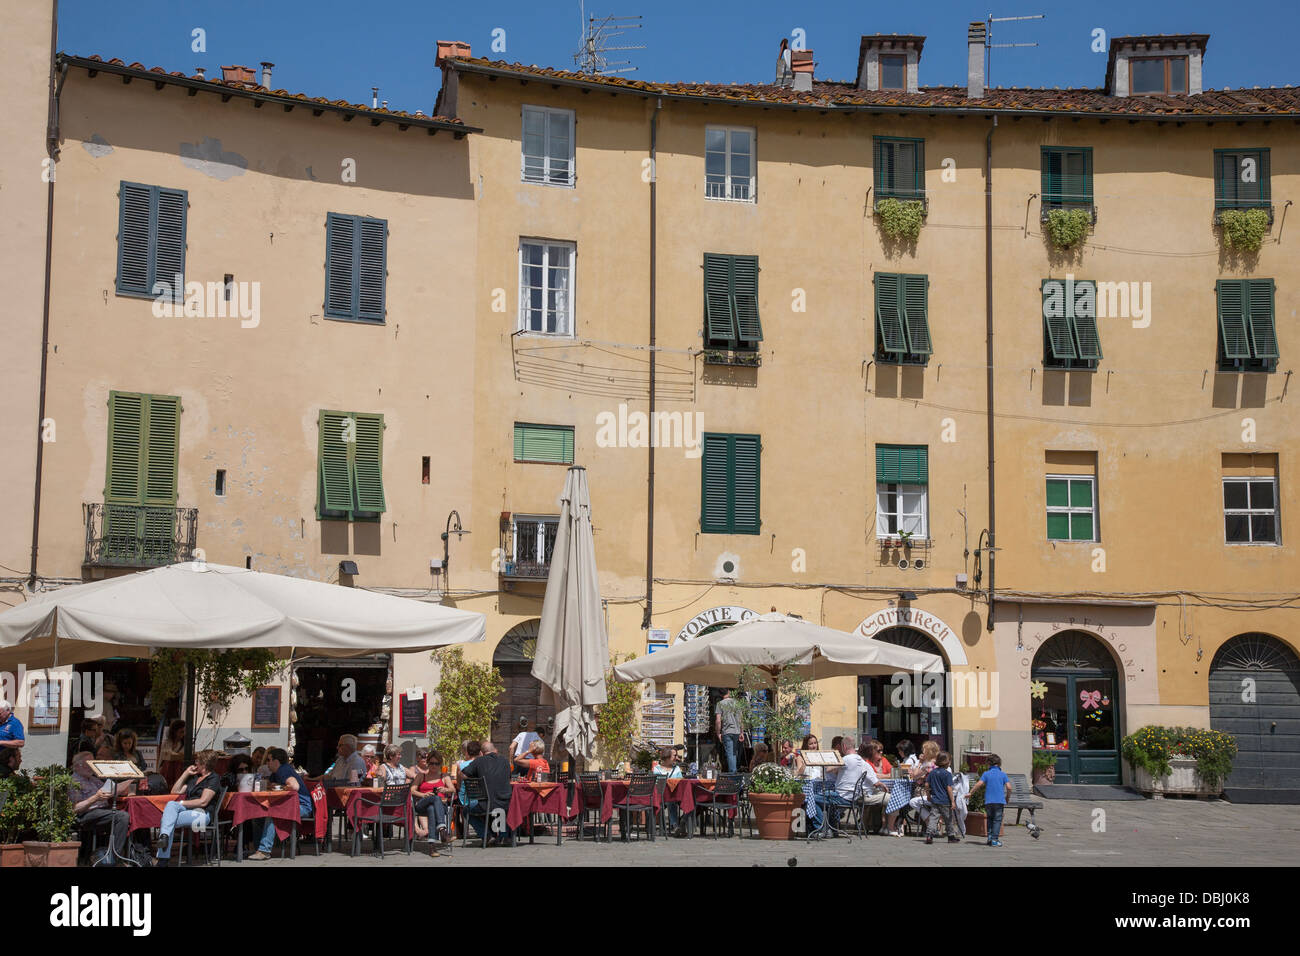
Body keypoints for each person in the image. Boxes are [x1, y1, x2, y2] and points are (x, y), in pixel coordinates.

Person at [155, 750, 221, 866]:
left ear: (203, 763)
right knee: (170, 807)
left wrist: (181, 803)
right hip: (189, 812)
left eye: (197, 761)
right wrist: (185, 773)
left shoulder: (213, 778)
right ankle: (164, 838)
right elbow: (174, 791)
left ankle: (163, 858)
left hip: (202, 814)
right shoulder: (195, 779)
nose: (195, 763)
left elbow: (203, 802)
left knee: (167, 819)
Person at [247, 748, 313, 861]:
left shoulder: (284, 769)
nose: (266, 763)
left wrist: (281, 787)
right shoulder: (275, 772)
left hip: (302, 807)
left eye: (268, 760)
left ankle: (264, 850)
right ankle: (258, 848)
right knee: (258, 816)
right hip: (291, 805)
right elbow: (270, 784)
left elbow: (294, 786)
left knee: (273, 813)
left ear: (276, 761)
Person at [70, 748, 132, 866]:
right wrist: (95, 797)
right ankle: (114, 857)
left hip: (101, 811)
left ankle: (127, 854)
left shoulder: (93, 779)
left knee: (127, 813)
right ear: (78, 765)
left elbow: (113, 790)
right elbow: (75, 808)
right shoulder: (74, 781)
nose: (92, 768)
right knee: (121, 816)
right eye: (89, 764)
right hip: (86, 814)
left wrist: (131, 779)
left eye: (94, 764)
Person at [460, 740, 512, 845]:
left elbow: (463, 775)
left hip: (486, 804)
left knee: (466, 811)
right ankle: (504, 836)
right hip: (506, 802)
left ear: (481, 753)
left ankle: (487, 835)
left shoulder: (479, 761)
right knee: (498, 808)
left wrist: (475, 779)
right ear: (495, 750)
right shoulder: (505, 761)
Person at [411, 749, 453, 851]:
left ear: (440, 764)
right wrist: (423, 794)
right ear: (428, 763)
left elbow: (453, 789)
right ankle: (442, 830)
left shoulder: (444, 776)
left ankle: (432, 844)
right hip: (422, 804)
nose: (434, 766)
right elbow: (412, 790)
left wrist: (444, 789)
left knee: (431, 808)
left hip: (439, 806)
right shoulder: (422, 776)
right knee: (435, 798)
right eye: (431, 763)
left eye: (437, 764)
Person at [969, 754, 1012, 847]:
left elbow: (979, 784)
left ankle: (989, 837)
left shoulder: (986, 774)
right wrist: (1007, 797)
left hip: (989, 801)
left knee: (989, 819)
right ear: (999, 763)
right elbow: (1009, 787)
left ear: (988, 763)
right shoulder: (1003, 774)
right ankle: (995, 840)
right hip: (999, 801)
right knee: (997, 820)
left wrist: (970, 793)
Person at [924, 751, 959, 845]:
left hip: (935, 800)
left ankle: (929, 835)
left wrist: (928, 795)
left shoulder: (932, 772)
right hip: (945, 801)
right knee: (948, 819)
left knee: (933, 818)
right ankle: (951, 836)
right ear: (946, 762)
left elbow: (927, 784)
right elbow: (949, 788)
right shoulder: (947, 774)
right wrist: (952, 801)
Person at [714, 689, 745, 773]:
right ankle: (735, 771)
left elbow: (718, 720)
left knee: (730, 754)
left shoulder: (720, 704)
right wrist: (742, 732)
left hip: (727, 731)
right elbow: (741, 719)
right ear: (729, 692)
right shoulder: (737, 703)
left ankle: (733, 773)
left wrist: (718, 733)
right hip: (736, 731)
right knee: (734, 753)